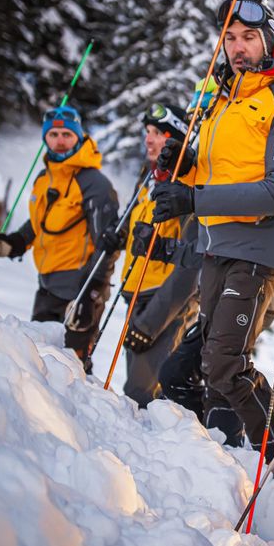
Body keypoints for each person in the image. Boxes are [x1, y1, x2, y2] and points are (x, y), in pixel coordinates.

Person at [149, 0, 274, 455]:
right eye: (230, 39)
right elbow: (217, 175)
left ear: (269, 40)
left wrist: (193, 198)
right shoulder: (225, 100)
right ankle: (213, 459)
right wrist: (183, 168)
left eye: (248, 38)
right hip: (215, 249)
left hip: (258, 257)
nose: (238, 48)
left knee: (224, 366)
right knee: (205, 366)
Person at [0, 105, 118, 371]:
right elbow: (39, 223)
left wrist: (89, 296)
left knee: (71, 372)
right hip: (46, 288)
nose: (59, 141)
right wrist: (14, 243)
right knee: (37, 365)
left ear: (79, 137)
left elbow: (108, 247)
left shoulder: (94, 184)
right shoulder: (44, 178)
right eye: (53, 134)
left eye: (66, 134)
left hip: (79, 291)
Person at [116, 104, 200, 407]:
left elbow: (193, 265)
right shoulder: (150, 180)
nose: (149, 140)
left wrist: (150, 324)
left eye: (159, 134)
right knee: (138, 397)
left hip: (164, 305)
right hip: (135, 295)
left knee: (143, 399)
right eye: (147, 132)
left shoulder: (184, 191)